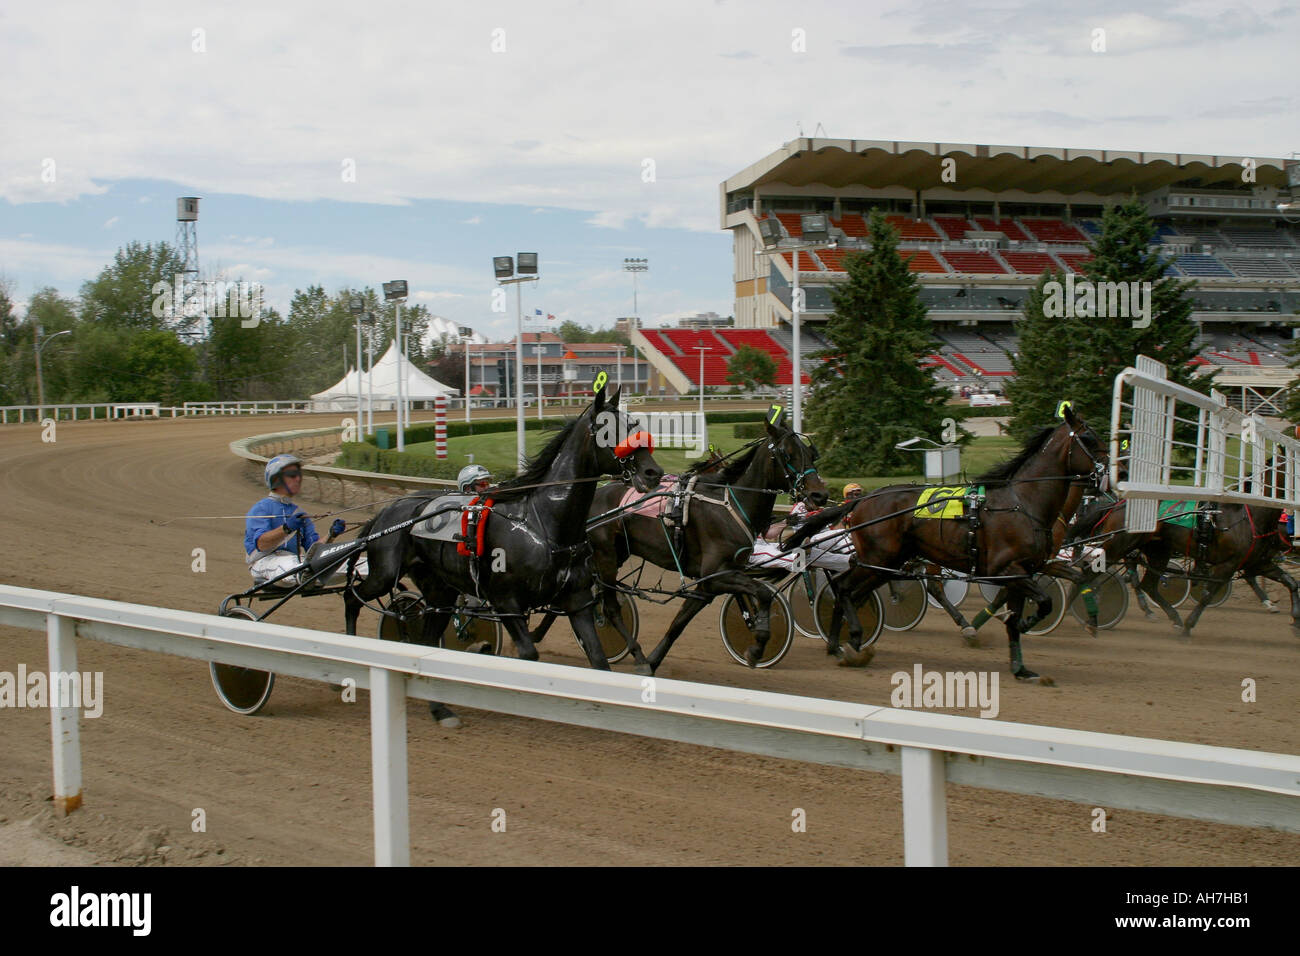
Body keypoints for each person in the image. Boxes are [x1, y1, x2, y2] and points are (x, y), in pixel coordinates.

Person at [244, 455, 318, 586]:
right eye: (292, 475)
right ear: (276, 479)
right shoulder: (261, 508)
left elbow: (315, 549)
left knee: (349, 562)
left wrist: (332, 534)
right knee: (299, 567)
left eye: (299, 474)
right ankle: (307, 575)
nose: (298, 478)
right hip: (264, 561)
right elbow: (262, 544)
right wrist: (287, 528)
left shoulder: (300, 513)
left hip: (294, 561)